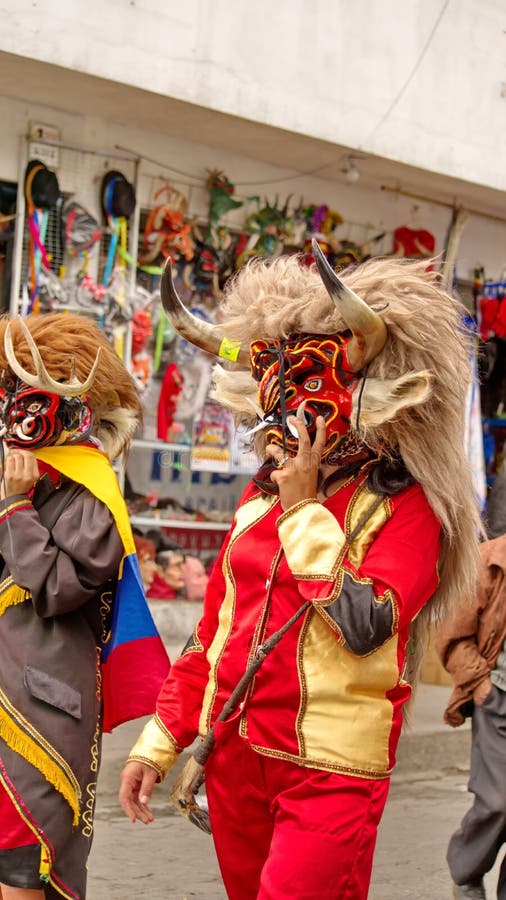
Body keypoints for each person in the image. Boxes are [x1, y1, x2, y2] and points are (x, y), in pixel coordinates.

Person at [119, 242, 481, 899]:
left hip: (331, 772)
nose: (284, 418)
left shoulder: (410, 505)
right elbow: (213, 637)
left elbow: (366, 623)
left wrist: (306, 507)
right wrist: (159, 743)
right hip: (233, 758)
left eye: (308, 390)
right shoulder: (260, 499)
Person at [0, 313, 169, 900]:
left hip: (41, 708)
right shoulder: (20, 476)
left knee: (26, 866)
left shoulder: (92, 489)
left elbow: (57, 589)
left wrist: (17, 510)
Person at [436, 534, 506, 900]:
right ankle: (466, 872)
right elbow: (453, 635)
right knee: (499, 801)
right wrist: (480, 685)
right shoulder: (491, 559)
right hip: (499, 699)